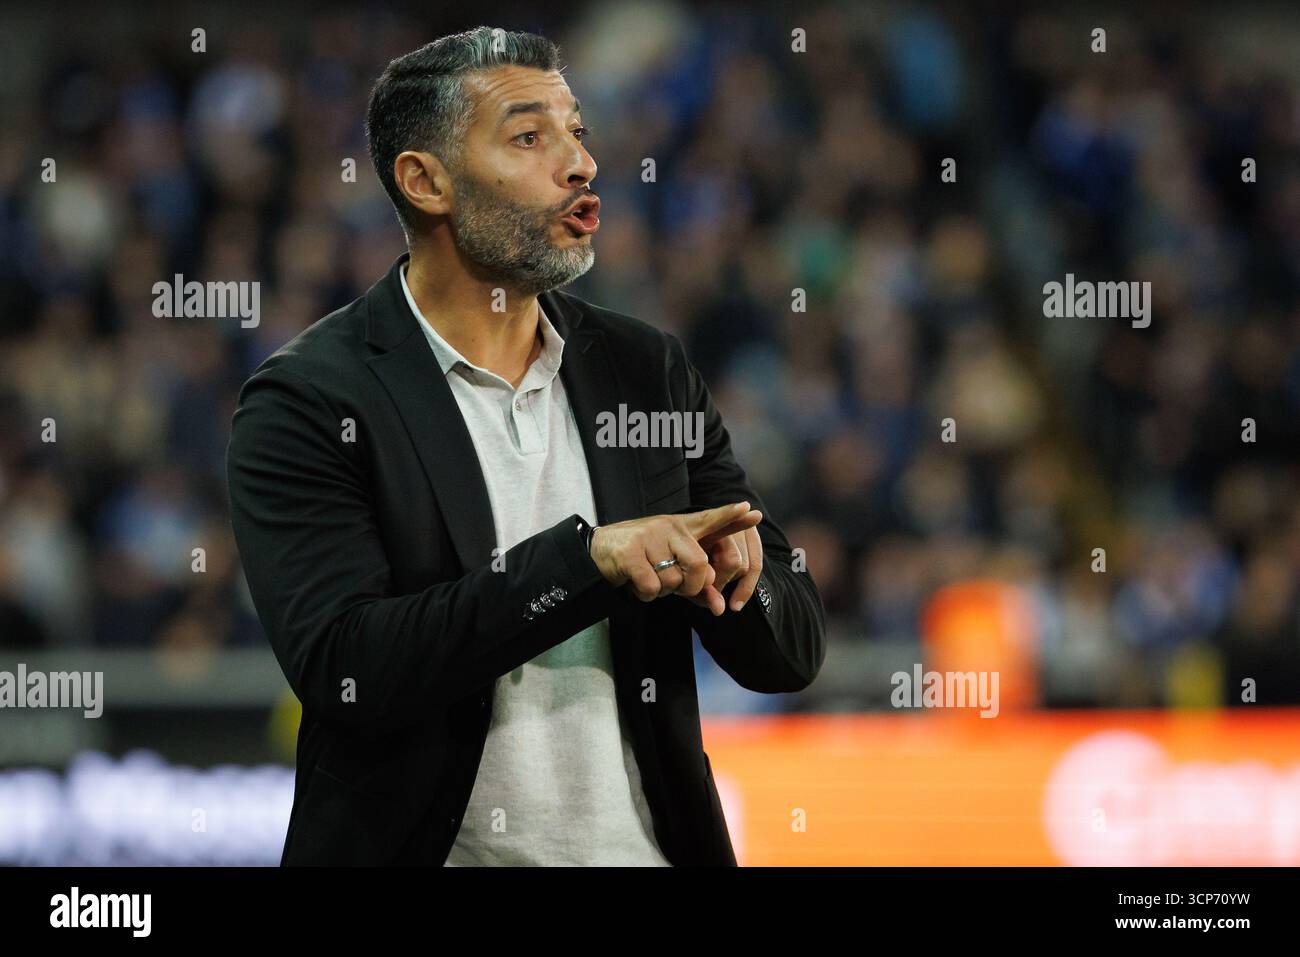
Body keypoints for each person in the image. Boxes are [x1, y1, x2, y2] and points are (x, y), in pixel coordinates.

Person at [226, 25, 826, 866]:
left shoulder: (643, 370)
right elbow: (346, 666)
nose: (580, 162)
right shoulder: (308, 399)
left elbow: (790, 651)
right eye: (529, 136)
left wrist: (738, 579)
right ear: (424, 182)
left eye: (577, 130)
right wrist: (588, 563)